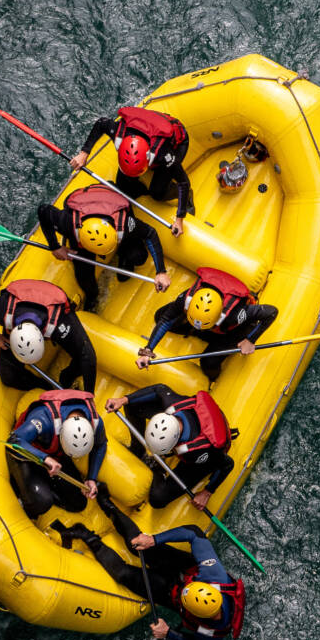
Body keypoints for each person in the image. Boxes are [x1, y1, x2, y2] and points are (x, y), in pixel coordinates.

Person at [72, 495, 244, 640]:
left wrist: (169, 633)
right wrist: (154, 539)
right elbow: (194, 532)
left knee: (123, 574)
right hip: (183, 569)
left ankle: (86, 536)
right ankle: (106, 503)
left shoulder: (211, 635)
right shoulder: (213, 574)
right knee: (136, 544)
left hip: (171, 593)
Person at [37, 184, 170, 309]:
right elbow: (43, 210)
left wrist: (161, 271)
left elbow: (150, 233)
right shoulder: (67, 223)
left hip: (111, 201)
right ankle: (92, 296)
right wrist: (55, 247)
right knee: (84, 275)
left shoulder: (126, 225)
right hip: (84, 206)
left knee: (138, 256)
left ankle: (123, 254)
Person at [137, 267, 277, 383]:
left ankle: (213, 379)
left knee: (208, 363)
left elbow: (271, 312)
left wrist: (250, 340)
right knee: (160, 315)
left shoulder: (235, 314)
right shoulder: (187, 298)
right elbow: (166, 319)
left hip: (232, 331)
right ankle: (197, 330)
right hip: (205, 320)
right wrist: (147, 350)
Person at [71, 103, 193, 236]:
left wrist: (180, 218)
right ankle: (139, 188)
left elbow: (183, 182)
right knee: (123, 186)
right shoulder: (117, 131)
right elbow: (101, 123)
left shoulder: (164, 154)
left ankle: (188, 198)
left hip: (177, 143)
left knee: (157, 192)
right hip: (143, 130)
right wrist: (84, 153)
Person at [106, 384, 235, 509]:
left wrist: (208, 492)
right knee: (132, 404)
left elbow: (228, 464)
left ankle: (158, 469)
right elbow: (159, 388)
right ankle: (137, 448)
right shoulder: (170, 402)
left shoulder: (199, 451)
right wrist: (123, 400)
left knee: (158, 499)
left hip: (198, 458)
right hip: (187, 419)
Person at [0, 276, 99, 391]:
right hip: (21, 301)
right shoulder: (2, 311)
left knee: (81, 358)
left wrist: (88, 396)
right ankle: (47, 387)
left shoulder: (60, 325)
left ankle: (66, 378)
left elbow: (88, 356)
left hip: (52, 302)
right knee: (8, 376)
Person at [6, 388, 105, 521]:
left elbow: (100, 445)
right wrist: (45, 459)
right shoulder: (44, 418)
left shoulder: (95, 422)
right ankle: (24, 493)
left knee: (78, 503)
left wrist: (91, 478)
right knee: (41, 502)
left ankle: (44, 484)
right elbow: (13, 442)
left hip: (56, 457)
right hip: (28, 454)